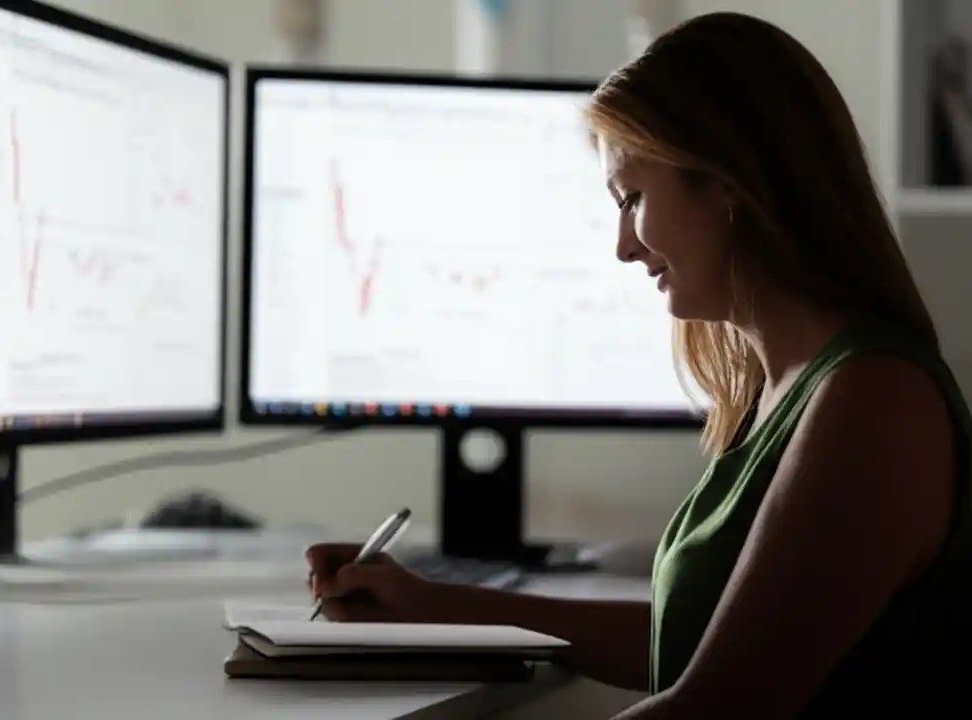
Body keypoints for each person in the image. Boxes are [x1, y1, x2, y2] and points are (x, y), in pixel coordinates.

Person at [305, 11, 972, 718]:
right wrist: (431, 602)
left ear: (727, 183)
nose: (624, 246)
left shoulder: (872, 404)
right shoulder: (784, 393)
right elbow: (690, 643)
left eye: (633, 199)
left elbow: (714, 706)